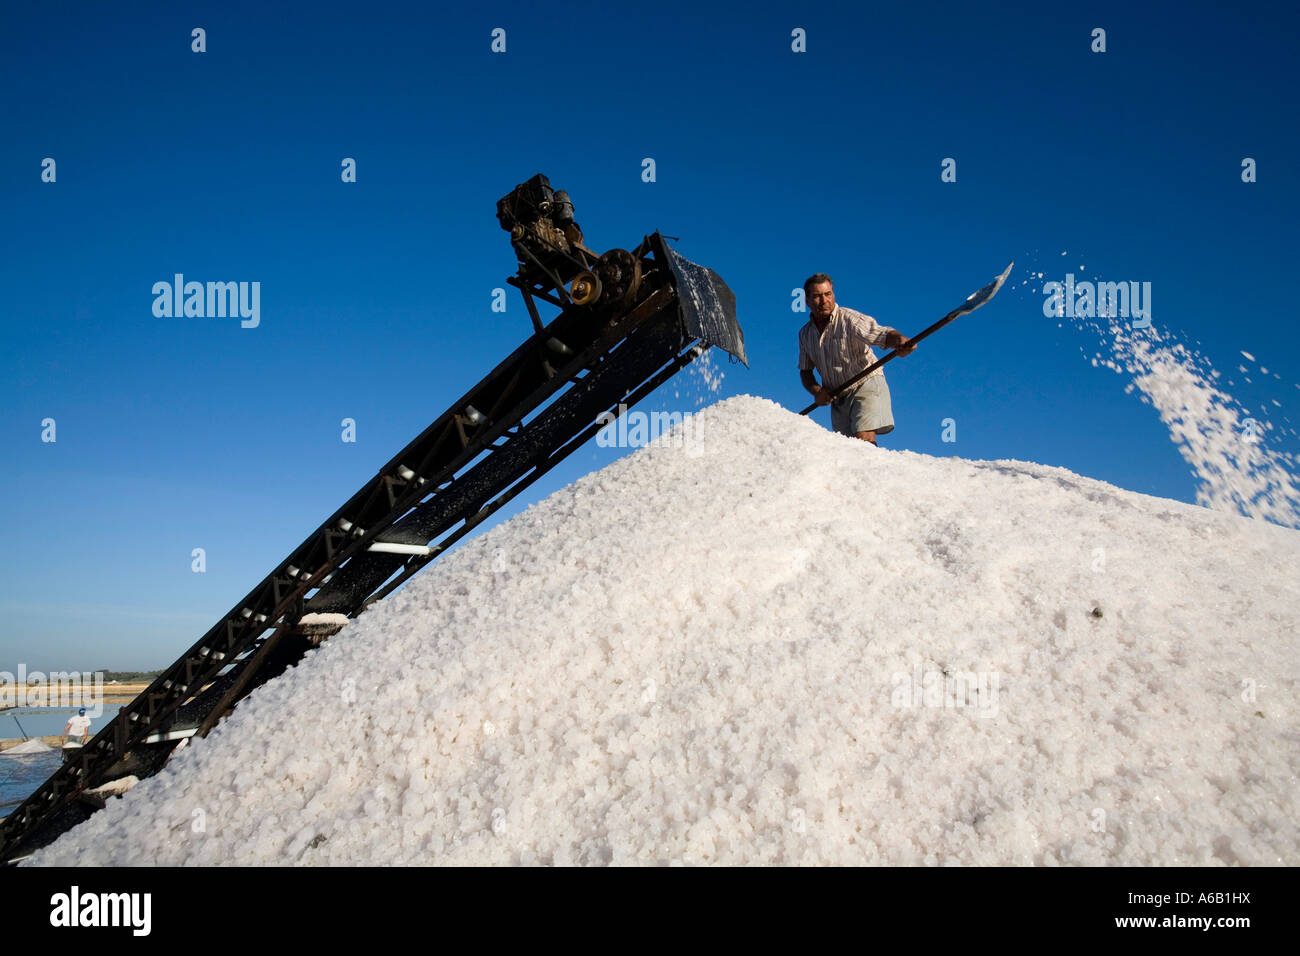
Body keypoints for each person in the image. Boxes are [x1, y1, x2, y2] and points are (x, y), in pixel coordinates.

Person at [798, 273, 915, 444]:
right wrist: (817, 392)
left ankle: (874, 471)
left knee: (864, 438)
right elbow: (805, 371)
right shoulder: (805, 334)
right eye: (817, 296)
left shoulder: (849, 319)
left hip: (866, 383)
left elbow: (881, 333)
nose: (824, 301)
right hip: (838, 397)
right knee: (848, 451)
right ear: (807, 301)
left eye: (828, 294)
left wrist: (900, 341)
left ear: (833, 295)